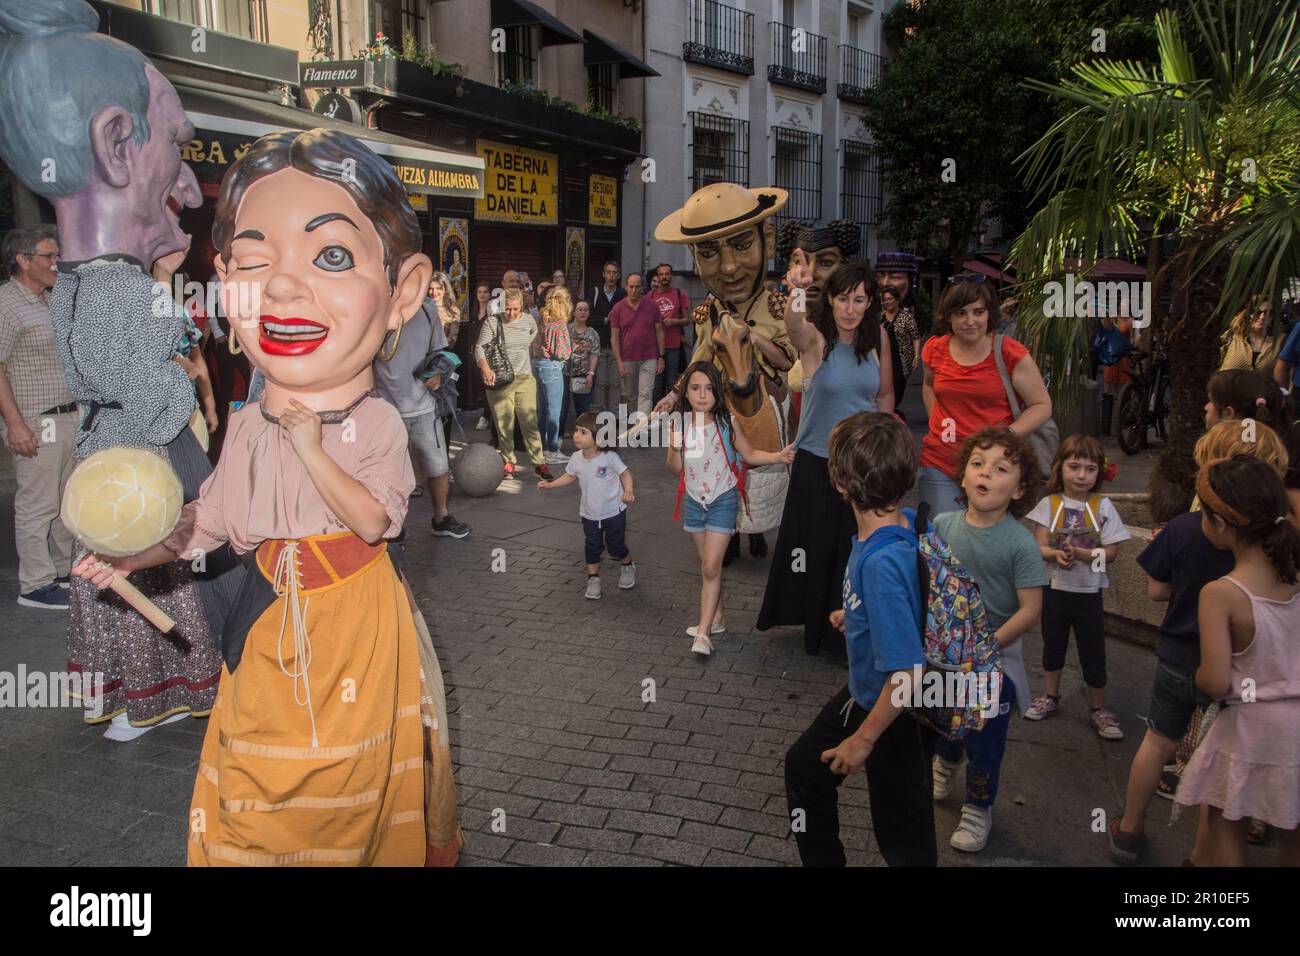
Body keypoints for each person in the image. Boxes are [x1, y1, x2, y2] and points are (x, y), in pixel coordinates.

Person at [73, 127, 462, 867]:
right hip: (263, 630)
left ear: (401, 294)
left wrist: (312, 446)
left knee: (351, 797)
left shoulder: (377, 422)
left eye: (334, 256)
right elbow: (203, 527)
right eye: (254, 262)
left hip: (355, 631)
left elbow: (373, 520)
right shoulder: (247, 427)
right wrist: (127, 559)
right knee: (254, 797)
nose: (282, 288)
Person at [0, 0, 244, 740]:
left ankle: (130, 697)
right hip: (149, 455)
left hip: (103, 450)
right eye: (176, 144)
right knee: (185, 563)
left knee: (111, 563)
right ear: (115, 143)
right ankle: (176, 688)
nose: (192, 189)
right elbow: (164, 396)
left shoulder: (71, 279)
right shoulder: (125, 289)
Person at [783, 411, 938, 867]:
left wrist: (864, 741)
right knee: (806, 769)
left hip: (896, 716)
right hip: (868, 693)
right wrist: (857, 616)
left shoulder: (880, 563)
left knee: (904, 840)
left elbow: (908, 671)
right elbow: (904, 606)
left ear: (841, 484)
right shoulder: (902, 523)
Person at [757, 259, 894, 656]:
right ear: (830, 300)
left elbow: (883, 394)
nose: (850, 308)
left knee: (855, 549)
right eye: (843, 299)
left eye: (859, 300)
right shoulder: (818, 339)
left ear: (869, 303)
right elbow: (794, 327)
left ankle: (846, 631)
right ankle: (815, 627)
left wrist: (883, 441)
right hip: (817, 463)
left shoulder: (878, 340)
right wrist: (797, 289)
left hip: (863, 466)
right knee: (815, 549)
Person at [1175, 455, 1300, 866]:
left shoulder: (1221, 593)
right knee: (1292, 828)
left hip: (1250, 728)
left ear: (1221, 524)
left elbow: (1213, 680)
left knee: (1228, 819)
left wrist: (1194, 675)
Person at [931, 428, 1046, 852]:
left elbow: (1031, 610)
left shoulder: (1021, 544)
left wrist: (986, 646)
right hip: (944, 656)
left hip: (994, 664)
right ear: (961, 476)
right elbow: (927, 583)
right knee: (943, 722)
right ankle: (945, 759)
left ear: (1019, 489)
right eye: (977, 464)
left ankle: (979, 807)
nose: (986, 473)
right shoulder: (942, 526)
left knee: (985, 741)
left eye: (1001, 469)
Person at [667, 362, 794, 657]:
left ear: (718, 392)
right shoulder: (678, 425)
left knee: (712, 566)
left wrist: (778, 455)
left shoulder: (728, 422)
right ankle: (718, 618)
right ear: (686, 392)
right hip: (694, 502)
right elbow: (675, 470)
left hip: (723, 501)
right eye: (695, 388)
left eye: (709, 388)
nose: (702, 395)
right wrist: (674, 448)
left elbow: (749, 454)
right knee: (706, 566)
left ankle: (703, 632)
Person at [1024, 435, 1131, 738]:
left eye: (1090, 469)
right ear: (1060, 468)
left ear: (1100, 473)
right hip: (1055, 589)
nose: (1082, 475)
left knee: (1093, 650)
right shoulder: (1049, 504)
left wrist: (1085, 555)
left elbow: (1111, 553)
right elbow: (1039, 546)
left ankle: (1098, 709)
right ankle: (1050, 695)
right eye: (1074, 467)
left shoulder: (1104, 506)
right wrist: (1056, 555)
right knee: (1052, 643)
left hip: (1089, 592)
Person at [919, 275, 1052, 516]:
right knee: (939, 543)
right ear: (948, 316)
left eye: (978, 312)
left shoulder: (1010, 353)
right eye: (960, 313)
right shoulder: (934, 349)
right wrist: (935, 421)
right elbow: (929, 385)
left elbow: (1041, 405)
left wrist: (1005, 435)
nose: (970, 321)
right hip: (939, 462)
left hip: (993, 467)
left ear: (989, 314)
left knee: (985, 543)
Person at [0, 227, 77, 610]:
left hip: (66, 414)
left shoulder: (48, 299)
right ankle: (34, 584)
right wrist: (14, 423)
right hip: (35, 417)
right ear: (23, 260)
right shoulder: (5, 304)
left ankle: (62, 572)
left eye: (56, 255)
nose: (55, 263)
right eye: (47, 256)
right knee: (37, 503)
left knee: (64, 499)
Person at [372, 279, 471, 540]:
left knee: (438, 466)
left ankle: (441, 517)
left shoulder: (428, 310)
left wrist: (438, 374)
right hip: (386, 407)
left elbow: (438, 351)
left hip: (424, 405)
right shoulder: (376, 308)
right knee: (391, 473)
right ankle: (394, 526)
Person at [538, 411, 636, 600]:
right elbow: (570, 475)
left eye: (583, 432)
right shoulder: (576, 458)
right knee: (592, 546)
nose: (576, 435)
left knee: (615, 547)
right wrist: (551, 484)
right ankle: (593, 579)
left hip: (614, 512)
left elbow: (625, 474)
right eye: (576, 430)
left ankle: (627, 565)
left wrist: (628, 490)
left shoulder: (609, 457)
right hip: (589, 514)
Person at [477, 288, 552, 480]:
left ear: (522, 307)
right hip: (500, 379)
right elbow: (479, 348)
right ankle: (508, 461)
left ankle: (539, 463)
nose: (511, 313)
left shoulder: (528, 320)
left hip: (524, 377)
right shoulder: (492, 322)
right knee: (504, 423)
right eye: (508, 309)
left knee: (529, 422)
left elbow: (533, 334)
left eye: (515, 309)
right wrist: (486, 369)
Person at [609, 272, 664, 420]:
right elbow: (614, 337)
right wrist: (619, 362)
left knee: (646, 393)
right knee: (630, 395)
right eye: (631, 287)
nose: (634, 290)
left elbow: (659, 331)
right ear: (626, 287)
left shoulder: (652, 306)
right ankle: (635, 423)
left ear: (642, 288)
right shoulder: (618, 308)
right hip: (627, 358)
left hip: (649, 357)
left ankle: (641, 428)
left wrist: (661, 356)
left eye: (637, 287)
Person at [533, 284, 573, 462]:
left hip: (538, 364)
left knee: (543, 410)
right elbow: (561, 353)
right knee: (554, 411)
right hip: (552, 367)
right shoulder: (559, 323)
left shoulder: (541, 317)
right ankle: (552, 450)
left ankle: (541, 447)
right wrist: (572, 349)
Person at [649, 263, 691, 405]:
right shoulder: (651, 295)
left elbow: (687, 320)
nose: (664, 277)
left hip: (673, 345)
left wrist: (674, 321)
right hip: (654, 346)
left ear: (671, 275)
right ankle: (657, 415)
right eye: (661, 274)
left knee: (672, 383)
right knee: (656, 385)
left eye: (667, 274)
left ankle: (672, 415)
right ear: (657, 277)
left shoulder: (680, 294)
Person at [587, 260, 625, 412]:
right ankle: (598, 415)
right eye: (608, 272)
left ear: (618, 276)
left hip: (617, 346)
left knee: (616, 383)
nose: (611, 276)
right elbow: (587, 317)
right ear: (603, 274)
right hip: (599, 344)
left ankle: (615, 416)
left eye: (614, 273)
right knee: (600, 382)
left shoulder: (623, 294)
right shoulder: (594, 293)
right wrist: (605, 319)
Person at [879, 286, 920, 409]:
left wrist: (916, 356)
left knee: (897, 390)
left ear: (897, 300)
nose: (887, 302)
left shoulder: (905, 317)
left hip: (900, 361)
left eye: (890, 299)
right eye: (885, 299)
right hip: (882, 360)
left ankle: (892, 412)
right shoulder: (880, 317)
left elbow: (916, 337)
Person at [1220, 296, 1280, 377]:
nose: (1262, 317)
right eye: (1256, 312)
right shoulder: (1233, 335)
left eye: (1268, 313)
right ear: (1248, 314)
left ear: (1272, 317)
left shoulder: (1279, 342)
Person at [567, 299, 601, 421]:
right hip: (565, 374)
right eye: (579, 309)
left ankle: (582, 431)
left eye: (585, 310)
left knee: (583, 408)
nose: (582, 312)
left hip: (583, 375)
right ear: (573, 312)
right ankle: (560, 435)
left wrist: (591, 374)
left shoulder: (593, 333)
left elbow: (594, 354)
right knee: (563, 406)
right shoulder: (566, 330)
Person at [429, 270, 461, 350]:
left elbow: (452, 341)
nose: (434, 292)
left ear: (445, 289)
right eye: (431, 288)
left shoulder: (453, 311)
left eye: (438, 288)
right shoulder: (423, 308)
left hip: (441, 356)